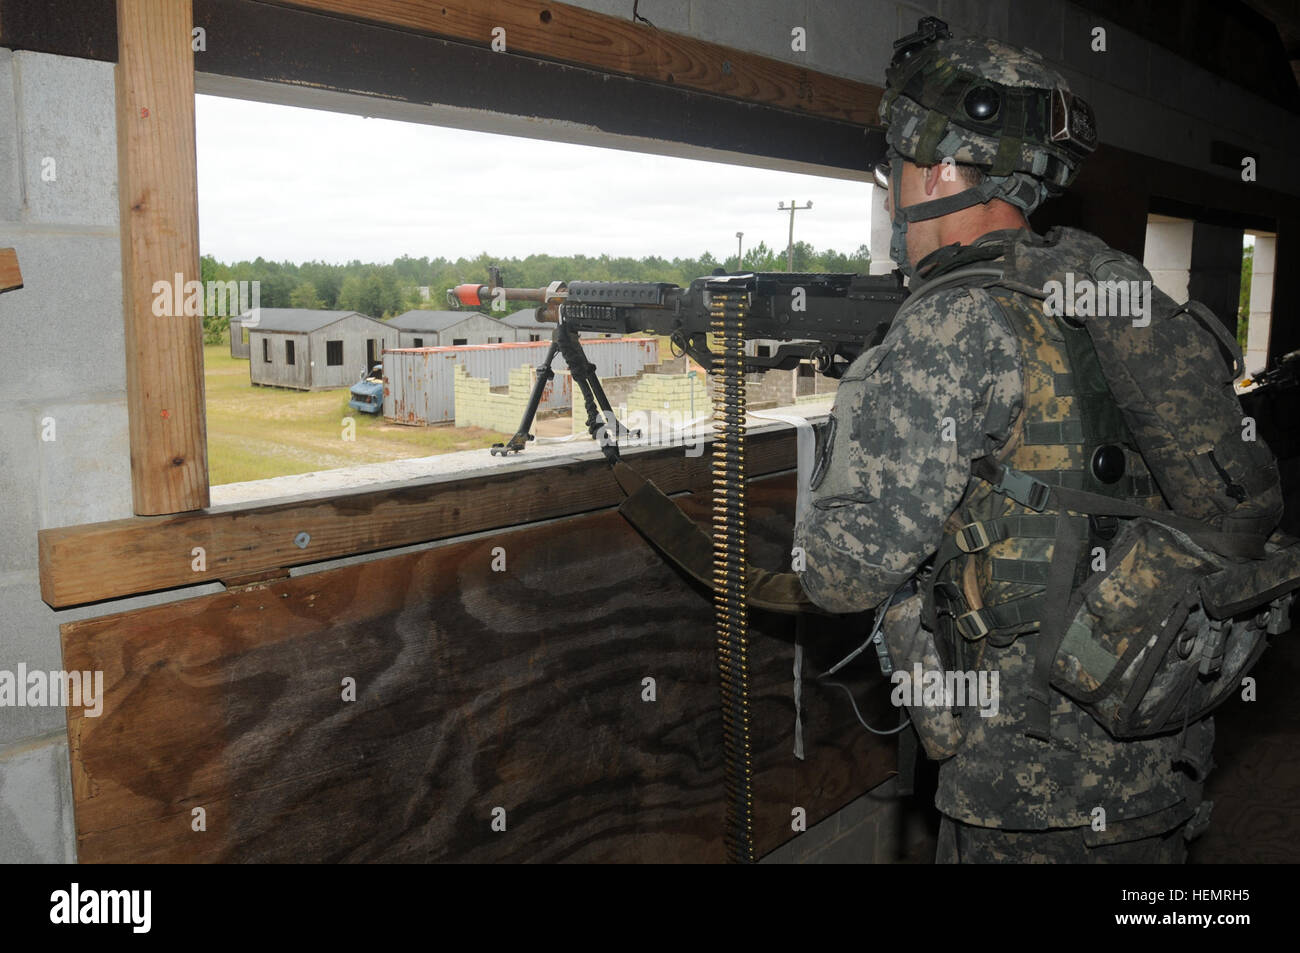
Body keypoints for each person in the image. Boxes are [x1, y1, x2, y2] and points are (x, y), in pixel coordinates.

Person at [793, 19, 1213, 863]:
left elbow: (838, 573)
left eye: (895, 170)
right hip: (1156, 752)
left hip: (1025, 796)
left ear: (939, 169)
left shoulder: (953, 324)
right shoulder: (1123, 295)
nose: (891, 192)